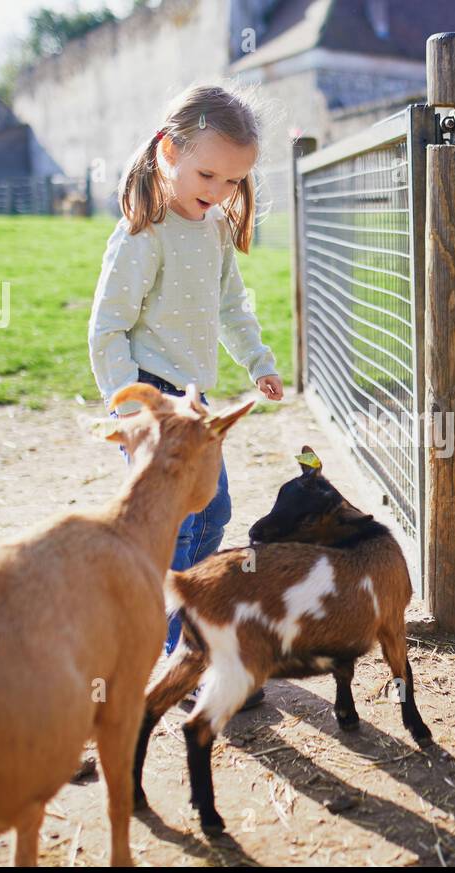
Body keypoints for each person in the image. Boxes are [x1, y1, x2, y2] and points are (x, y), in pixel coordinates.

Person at [88, 81, 283, 711]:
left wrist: (257, 361)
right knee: (180, 527)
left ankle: (185, 649)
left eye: (233, 181)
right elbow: (107, 329)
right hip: (157, 407)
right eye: (208, 174)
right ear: (167, 151)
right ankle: (169, 660)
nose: (220, 192)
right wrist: (132, 412)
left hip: (195, 407)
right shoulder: (144, 233)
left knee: (213, 513)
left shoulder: (215, 229)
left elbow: (232, 307)